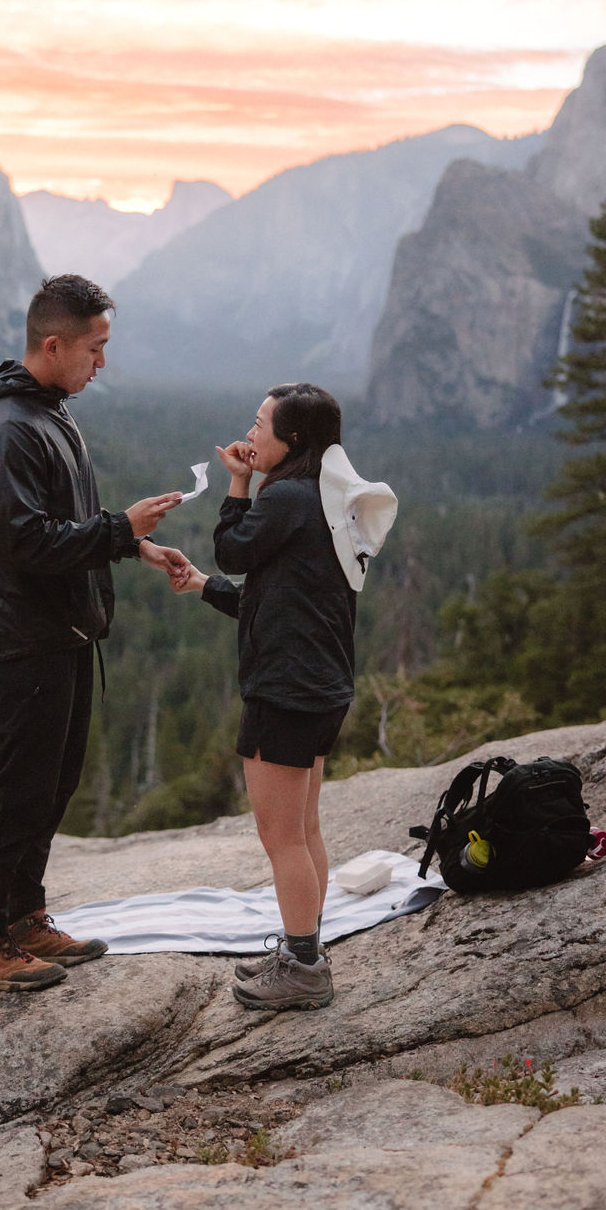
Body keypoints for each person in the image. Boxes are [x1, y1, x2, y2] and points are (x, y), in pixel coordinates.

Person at [0, 274, 188, 997]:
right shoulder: (9, 431)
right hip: (23, 642)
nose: (102, 363)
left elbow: (66, 519)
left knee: (50, 786)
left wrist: (130, 545)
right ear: (53, 344)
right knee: (17, 792)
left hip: (60, 635)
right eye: (95, 348)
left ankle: (26, 917)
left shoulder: (48, 410)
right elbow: (29, 542)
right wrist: (120, 528)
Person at [171, 383, 376, 1012]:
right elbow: (274, 601)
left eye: (261, 425)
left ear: (293, 441)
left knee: (281, 837)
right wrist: (204, 587)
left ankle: (305, 967)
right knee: (305, 827)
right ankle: (302, 948)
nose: (250, 434)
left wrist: (236, 485)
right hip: (321, 686)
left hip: (284, 691)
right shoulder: (325, 500)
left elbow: (232, 548)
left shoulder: (284, 495)